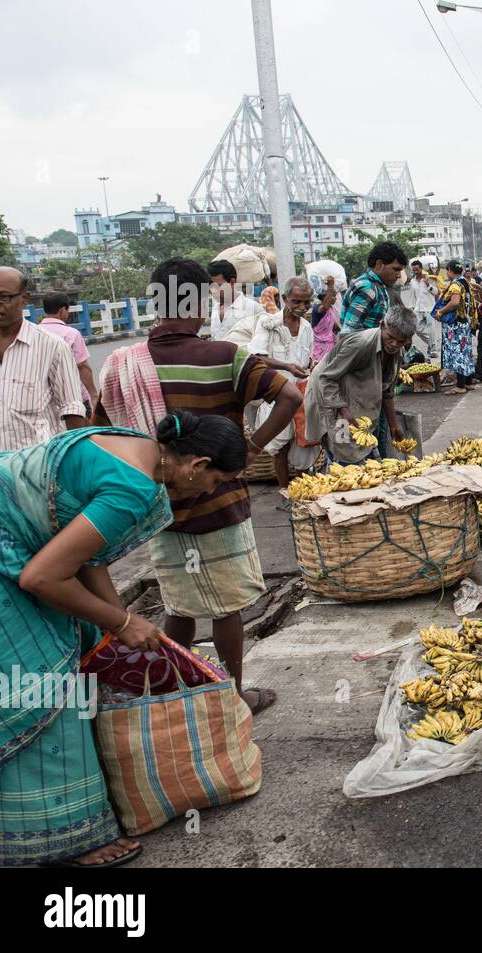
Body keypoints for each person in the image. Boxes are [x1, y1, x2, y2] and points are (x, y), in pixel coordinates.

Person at [0, 410, 246, 866]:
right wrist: (122, 624)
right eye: (215, 481)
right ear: (197, 464)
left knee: (82, 643)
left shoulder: (137, 447)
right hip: (6, 551)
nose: (211, 491)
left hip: (12, 535)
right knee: (46, 686)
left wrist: (117, 618)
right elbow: (43, 577)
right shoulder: (135, 488)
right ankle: (62, 840)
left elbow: (88, 553)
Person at [92, 258, 301, 715]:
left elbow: (100, 435)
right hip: (220, 503)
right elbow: (290, 395)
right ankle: (233, 694)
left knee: (179, 604)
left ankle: (174, 689)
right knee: (227, 607)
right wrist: (250, 450)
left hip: (158, 512)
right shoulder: (226, 356)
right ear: (199, 300)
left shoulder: (120, 365)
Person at [0, 266, 88, 452]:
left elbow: (72, 409)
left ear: (24, 298)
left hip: (37, 467)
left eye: (4, 297)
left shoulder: (52, 346)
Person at [305, 307, 413, 465]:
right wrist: (342, 409)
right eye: (391, 337)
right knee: (344, 450)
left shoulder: (396, 352)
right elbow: (326, 378)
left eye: (401, 341)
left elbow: (387, 391)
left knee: (361, 445)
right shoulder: (360, 345)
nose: (394, 344)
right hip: (328, 393)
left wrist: (393, 424)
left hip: (352, 391)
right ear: (383, 326)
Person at [250, 277, 317, 495]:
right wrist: (286, 366)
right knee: (280, 445)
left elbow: (306, 359)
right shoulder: (268, 324)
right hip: (276, 394)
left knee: (303, 442)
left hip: (301, 393)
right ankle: (284, 490)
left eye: (307, 303)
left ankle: (303, 489)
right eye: (296, 302)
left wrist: (311, 366)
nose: (302, 307)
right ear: (285, 299)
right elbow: (257, 357)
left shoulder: (307, 327)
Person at [38, 292, 98, 416]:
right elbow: (82, 366)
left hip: (43, 397)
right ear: (62, 310)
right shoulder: (71, 334)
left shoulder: (34, 333)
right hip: (75, 396)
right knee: (83, 432)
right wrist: (93, 394)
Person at [340, 241, 408, 336]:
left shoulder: (379, 286)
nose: (399, 276)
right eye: (396, 270)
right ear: (379, 265)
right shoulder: (368, 289)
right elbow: (348, 333)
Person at [434, 260, 477, 394]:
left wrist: (440, 312)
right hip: (465, 323)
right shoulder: (466, 282)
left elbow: (454, 303)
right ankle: (468, 382)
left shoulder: (455, 285)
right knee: (465, 352)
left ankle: (460, 385)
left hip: (456, 325)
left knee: (457, 352)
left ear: (450, 271)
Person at [207, 259, 265, 343]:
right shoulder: (215, 309)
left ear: (232, 282)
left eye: (218, 286)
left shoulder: (253, 308)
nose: (213, 291)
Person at [409, 260, 439, 362]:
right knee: (418, 330)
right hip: (418, 308)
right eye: (414, 270)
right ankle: (432, 345)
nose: (416, 272)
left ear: (421, 268)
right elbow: (412, 296)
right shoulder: (412, 281)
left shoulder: (429, 279)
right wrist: (411, 308)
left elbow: (436, 292)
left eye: (417, 269)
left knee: (431, 330)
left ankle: (433, 350)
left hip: (430, 307)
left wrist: (428, 285)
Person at [310, 275, 340, 366]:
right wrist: (330, 286)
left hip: (330, 345)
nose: (335, 298)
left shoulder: (331, 310)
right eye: (332, 296)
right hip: (319, 347)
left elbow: (335, 327)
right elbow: (325, 307)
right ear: (324, 298)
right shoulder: (317, 308)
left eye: (335, 296)